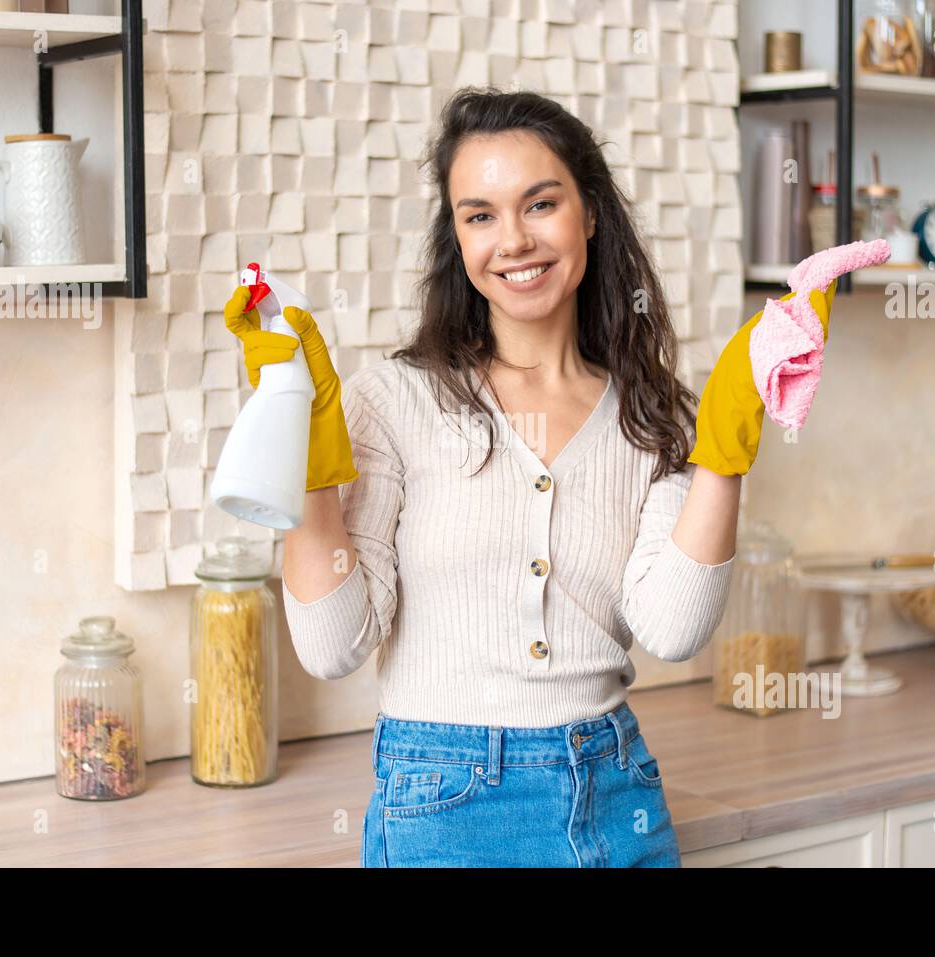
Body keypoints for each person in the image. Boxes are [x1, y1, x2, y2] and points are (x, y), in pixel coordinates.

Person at [222, 87, 838, 867]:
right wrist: (305, 444)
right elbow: (332, 642)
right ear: (457, 237)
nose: (512, 240)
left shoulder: (654, 417)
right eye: (480, 215)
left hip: (616, 794)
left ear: (589, 213)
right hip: (442, 805)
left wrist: (723, 446)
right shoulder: (397, 400)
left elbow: (674, 629)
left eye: (539, 203)